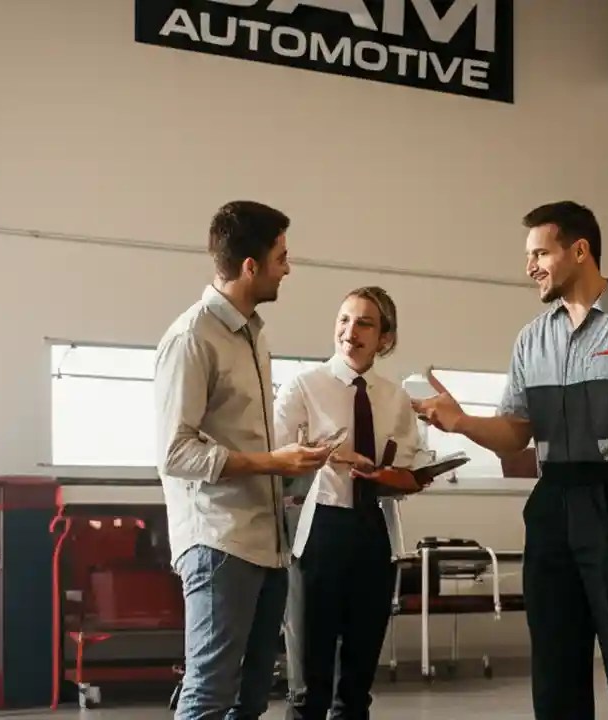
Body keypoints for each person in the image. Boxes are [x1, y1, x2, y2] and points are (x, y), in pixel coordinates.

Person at [414, 201, 608, 719]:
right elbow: (515, 435)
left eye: (539, 253)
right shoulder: (532, 338)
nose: (529, 266)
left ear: (580, 250)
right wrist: (460, 421)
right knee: (554, 670)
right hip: (551, 507)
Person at [155, 200, 334, 720]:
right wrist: (272, 463)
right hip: (218, 542)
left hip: (266, 544)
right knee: (209, 694)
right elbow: (175, 451)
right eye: (281, 256)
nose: (288, 267)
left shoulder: (254, 335)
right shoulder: (192, 338)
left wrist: (292, 466)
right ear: (251, 266)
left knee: (250, 699)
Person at [274, 286, 428, 720]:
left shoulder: (394, 396)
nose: (350, 330)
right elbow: (276, 453)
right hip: (318, 529)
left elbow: (410, 460)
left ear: (385, 338)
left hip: (372, 530)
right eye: (344, 319)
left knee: (356, 689)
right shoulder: (304, 386)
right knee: (308, 689)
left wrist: (402, 478)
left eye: (364, 322)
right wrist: (335, 454)